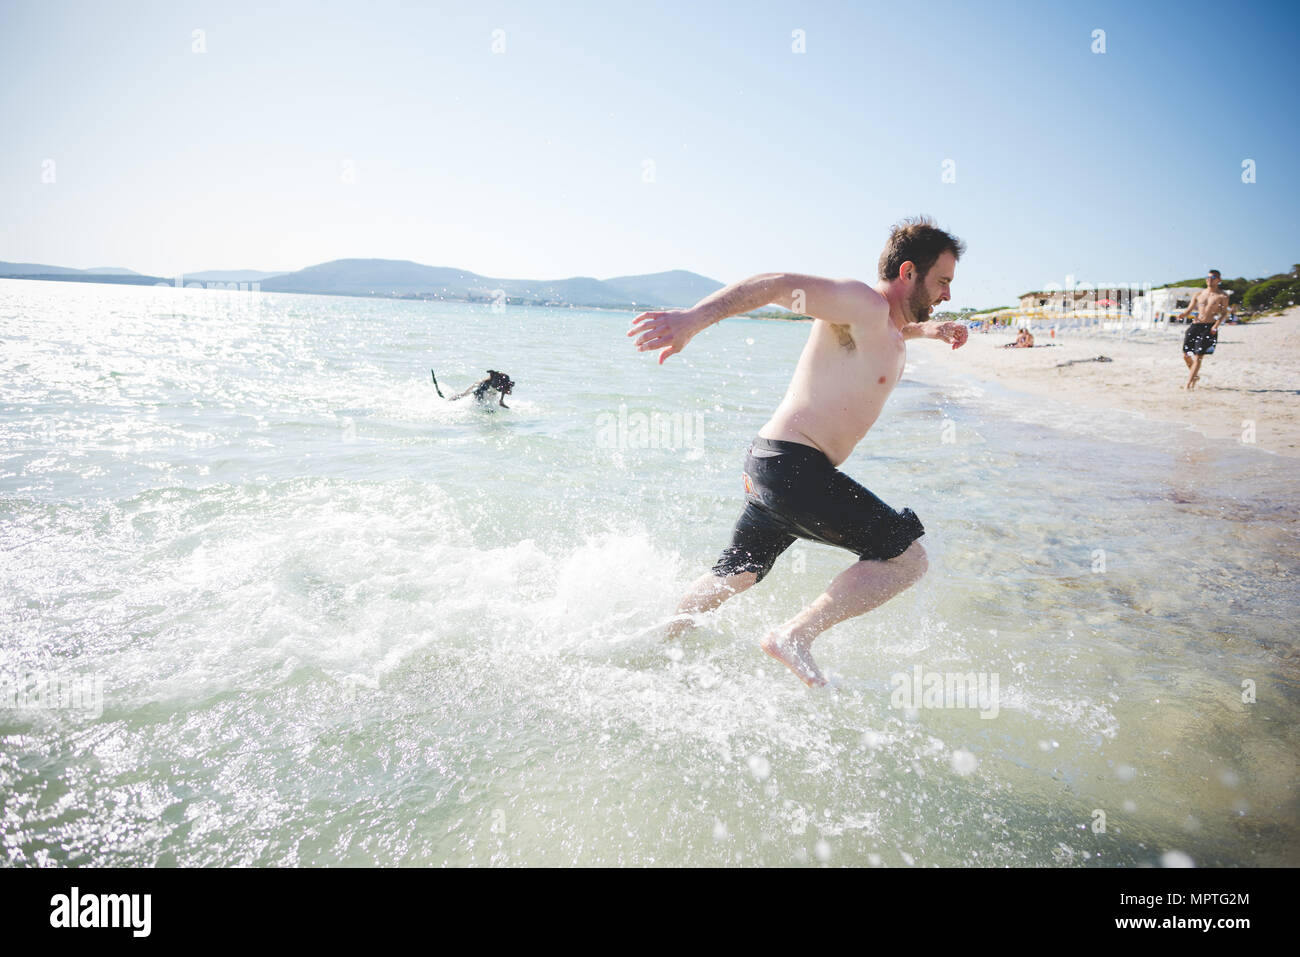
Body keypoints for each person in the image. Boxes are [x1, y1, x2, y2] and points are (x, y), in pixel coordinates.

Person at [627, 216, 968, 687]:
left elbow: (889, 336)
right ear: (909, 272)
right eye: (942, 282)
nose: (947, 294)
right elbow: (774, 284)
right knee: (907, 559)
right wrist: (692, 320)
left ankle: (655, 645)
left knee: (739, 572)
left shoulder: (883, 327)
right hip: (794, 468)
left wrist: (932, 331)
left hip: (774, 465)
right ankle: (793, 636)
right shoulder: (862, 303)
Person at [1176, 270, 1229, 390]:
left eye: (1213, 277)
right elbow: (1189, 309)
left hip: (1209, 327)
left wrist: (1216, 325)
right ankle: (1194, 376)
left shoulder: (1222, 296)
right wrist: (1183, 314)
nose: (1210, 279)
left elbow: (1224, 313)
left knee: (1198, 356)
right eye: (1208, 277)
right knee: (1186, 355)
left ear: (1219, 280)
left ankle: (1188, 384)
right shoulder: (1199, 294)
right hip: (1195, 325)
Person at [432, 369, 515, 407]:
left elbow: (503, 391)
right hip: (479, 386)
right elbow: (479, 394)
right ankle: (448, 401)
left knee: (487, 405)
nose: (508, 392)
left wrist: (501, 400)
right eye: (507, 390)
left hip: (489, 389)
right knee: (465, 395)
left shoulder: (506, 383)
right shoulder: (493, 382)